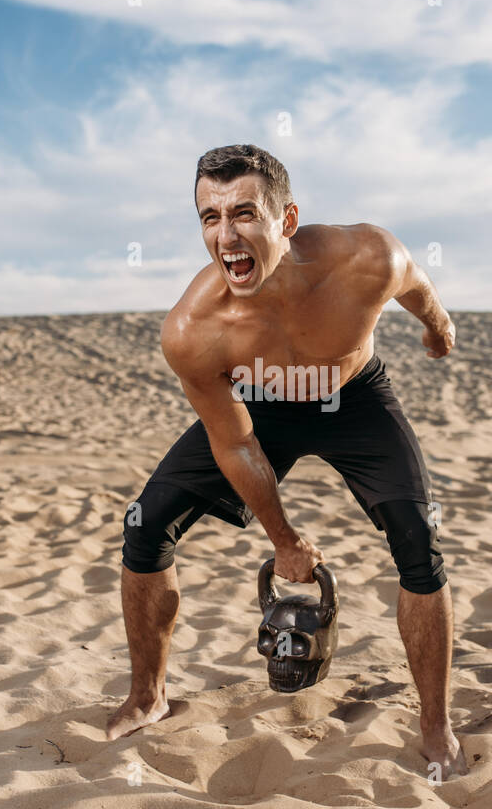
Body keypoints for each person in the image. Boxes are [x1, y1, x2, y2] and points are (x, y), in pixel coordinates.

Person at [107, 143, 467, 776]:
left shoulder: (366, 257)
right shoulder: (194, 329)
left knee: (419, 538)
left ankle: (436, 726)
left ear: (287, 219)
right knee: (144, 524)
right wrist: (285, 540)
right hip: (261, 406)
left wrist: (437, 327)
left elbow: (416, 284)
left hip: (353, 397)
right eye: (208, 218)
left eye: (243, 213)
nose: (225, 235)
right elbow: (236, 441)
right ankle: (147, 696)